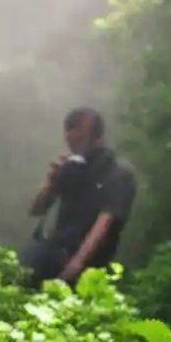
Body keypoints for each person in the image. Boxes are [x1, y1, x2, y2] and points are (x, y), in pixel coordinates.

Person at [18, 107, 135, 287]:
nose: (75, 146)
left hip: (90, 262)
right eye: (70, 141)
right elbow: (36, 210)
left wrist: (76, 265)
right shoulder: (72, 167)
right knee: (22, 268)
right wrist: (51, 179)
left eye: (80, 139)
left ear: (98, 138)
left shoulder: (118, 173)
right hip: (54, 249)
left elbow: (104, 223)